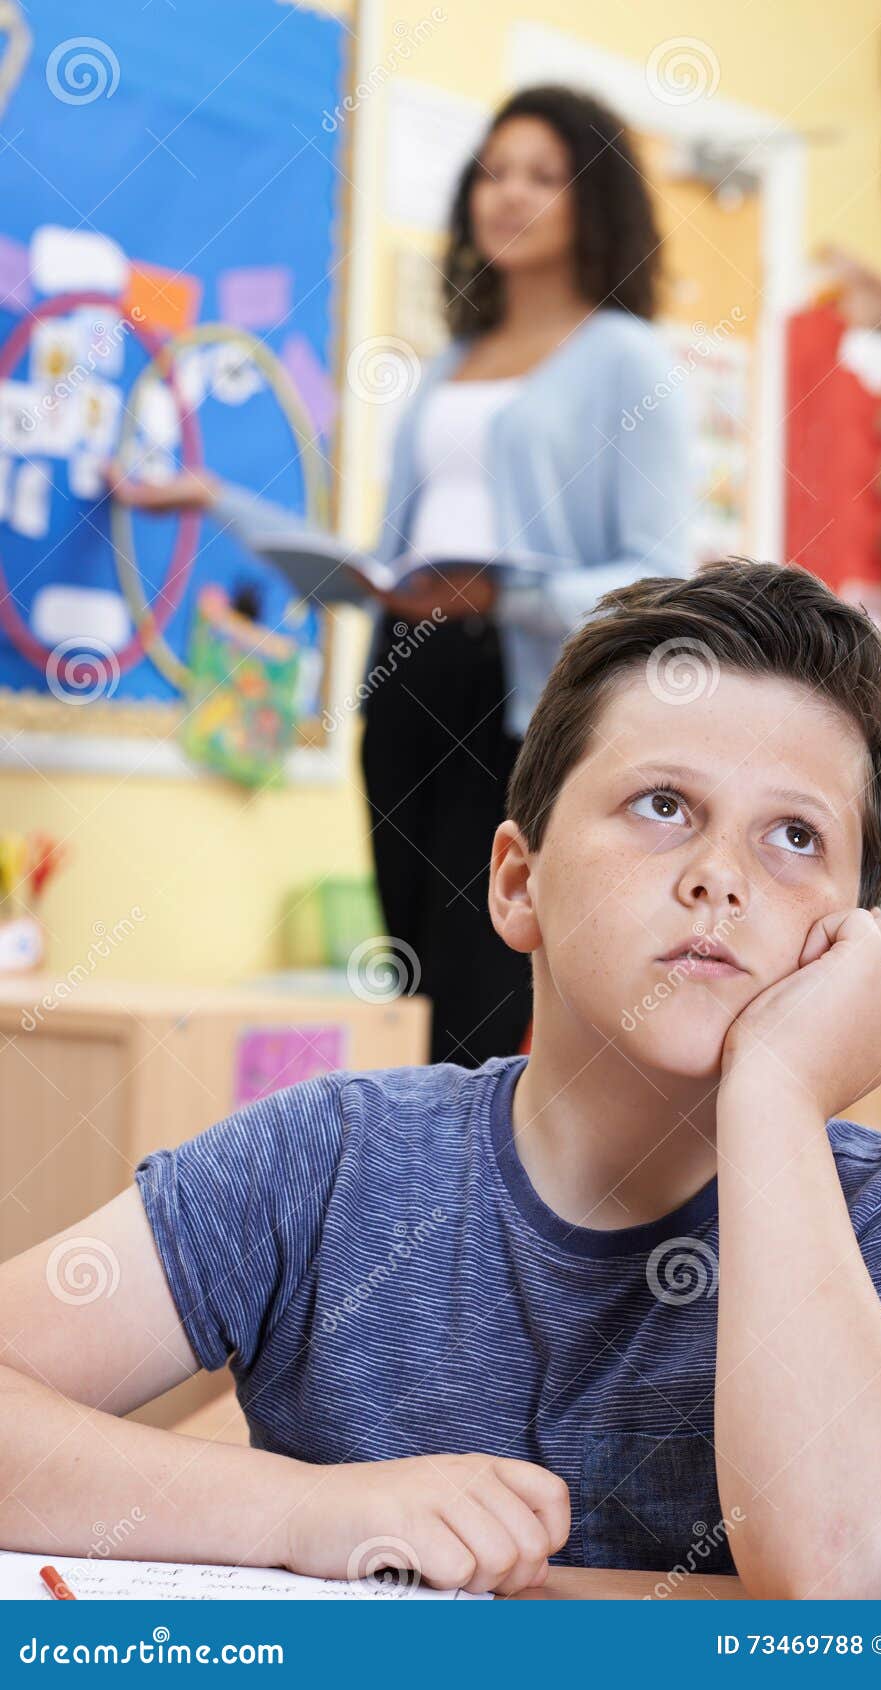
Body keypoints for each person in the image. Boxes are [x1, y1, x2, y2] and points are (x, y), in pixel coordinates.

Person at [0, 561, 881, 1598]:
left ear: (853, 941)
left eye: (795, 836)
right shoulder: (326, 1159)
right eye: (663, 803)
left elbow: (854, 1577)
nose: (724, 876)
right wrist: (305, 1511)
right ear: (519, 883)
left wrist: (776, 1094)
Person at [108, 84, 690, 1067]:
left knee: (485, 991)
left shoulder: (628, 361)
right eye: (493, 172)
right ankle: (427, 1205)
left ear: (597, 198)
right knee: (420, 993)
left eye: (542, 176)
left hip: (524, 707)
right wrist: (219, 499)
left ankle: (490, 1214)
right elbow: (384, 560)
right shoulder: (453, 360)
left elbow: (655, 580)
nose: (508, 194)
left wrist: (502, 595)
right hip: (410, 686)